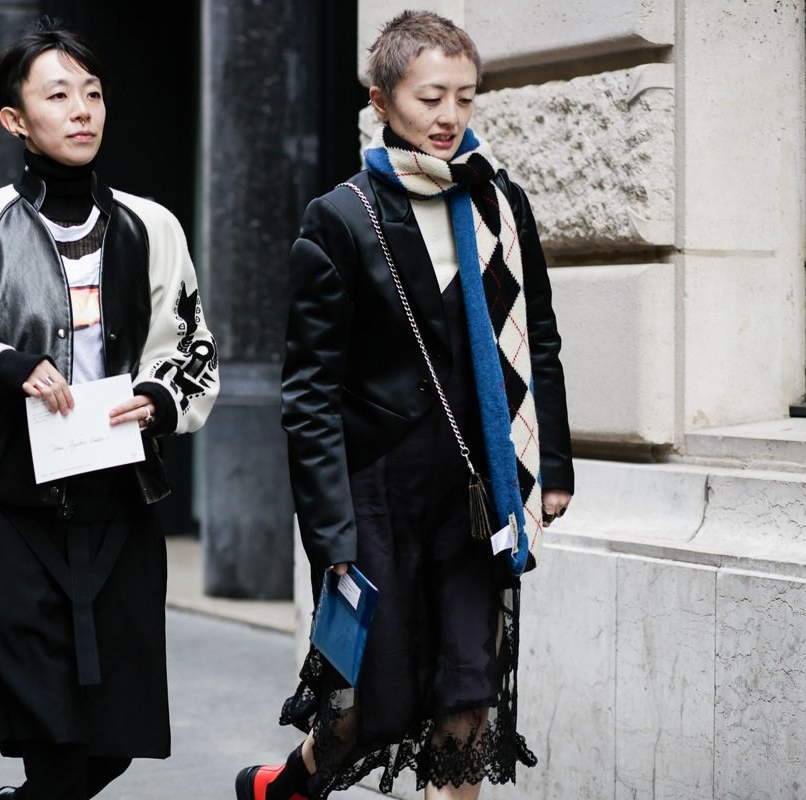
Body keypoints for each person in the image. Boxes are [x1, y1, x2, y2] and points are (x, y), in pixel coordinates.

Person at [0, 19, 218, 800]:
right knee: (52, 740)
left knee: (117, 738)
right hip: (8, 508)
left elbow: (191, 345)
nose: (82, 111)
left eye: (92, 94)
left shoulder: (149, 225)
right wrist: (4, 366)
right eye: (58, 95)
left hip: (119, 505)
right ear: (15, 120)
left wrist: (161, 394)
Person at [237, 11, 573, 800]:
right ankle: (290, 786)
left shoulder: (502, 205)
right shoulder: (343, 217)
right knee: (370, 704)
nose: (449, 116)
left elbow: (540, 340)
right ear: (382, 100)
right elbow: (310, 391)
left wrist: (548, 464)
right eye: (430, 98)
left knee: (467, 689)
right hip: (378, 489)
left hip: (476, 490)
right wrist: (331, 532)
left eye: (464, 97)